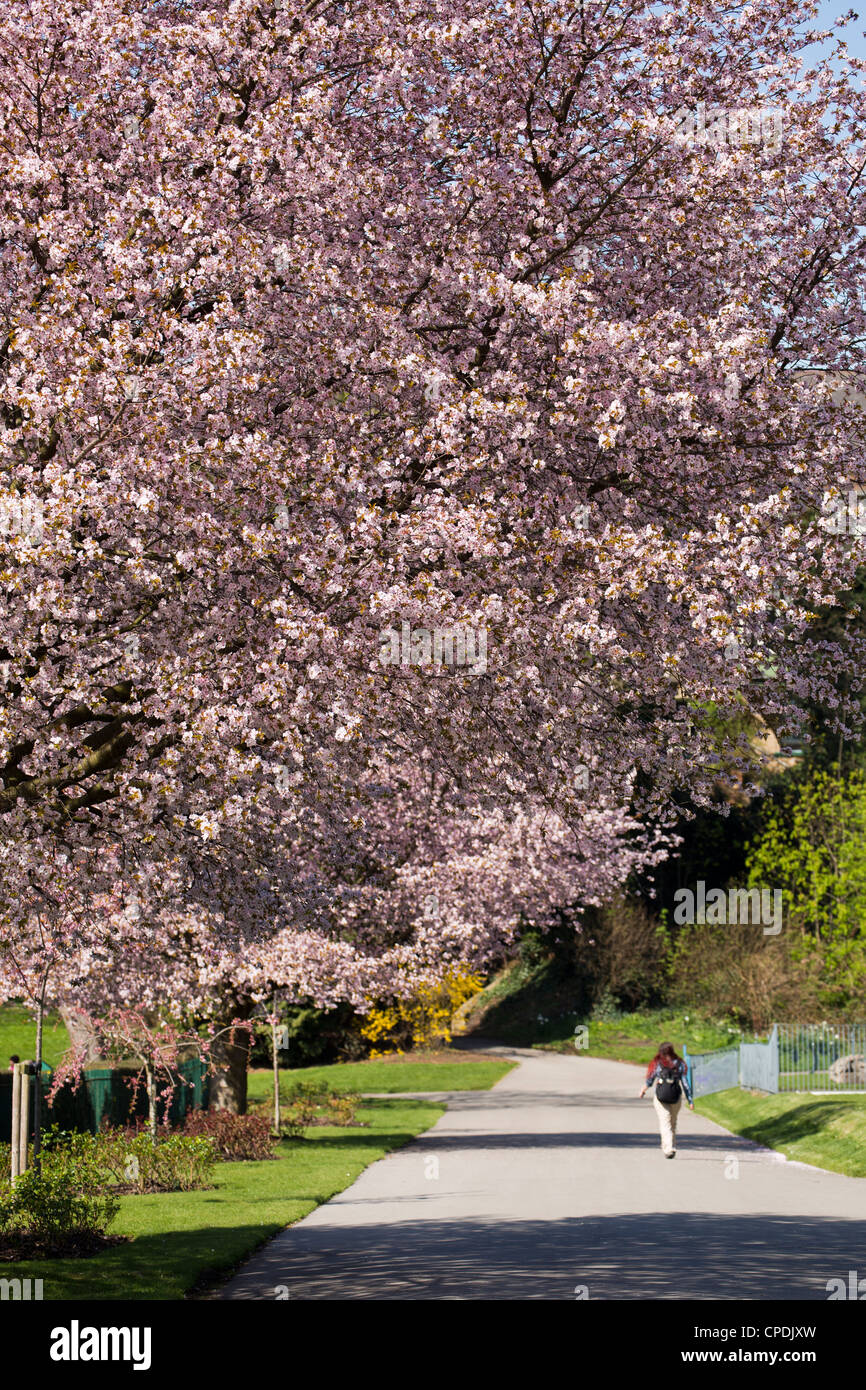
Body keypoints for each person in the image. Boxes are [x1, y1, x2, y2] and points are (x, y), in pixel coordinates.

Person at [639, 1041, 694, 1157]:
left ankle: (668, 1148)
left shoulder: (658, 1063)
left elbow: (650, 1079)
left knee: (665, 1122)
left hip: (660, 1097)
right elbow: (685, 1083)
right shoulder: (679, 1063)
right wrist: (690, 1100)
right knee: (672, 1123)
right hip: (676, 1097)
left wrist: (643, 1090)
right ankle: (670, 1147)